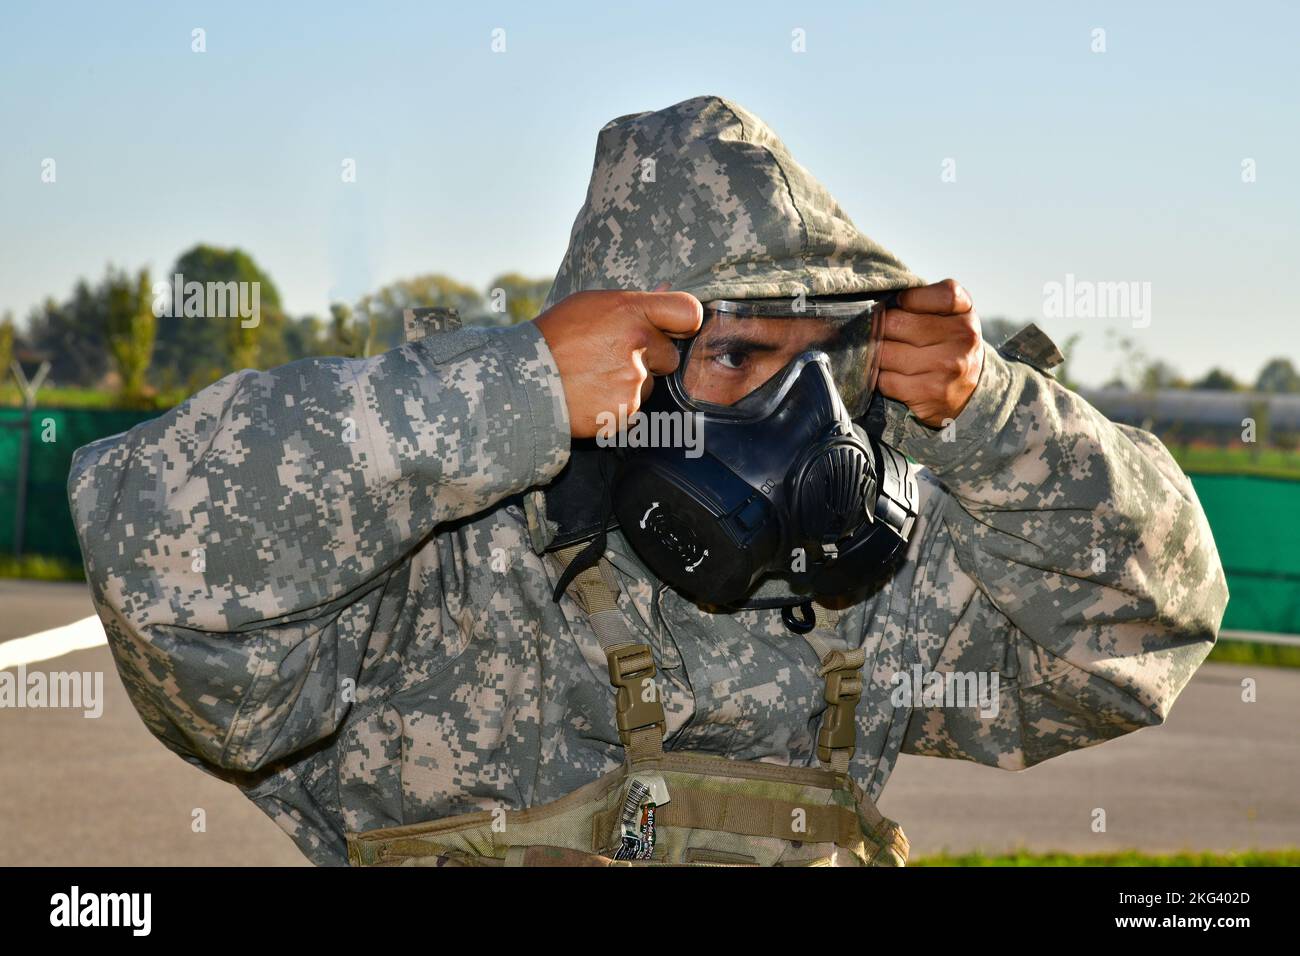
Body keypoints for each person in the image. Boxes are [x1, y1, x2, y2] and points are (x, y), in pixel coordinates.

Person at [68, 96, 1227, 866]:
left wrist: (996, 416)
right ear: (619, 365)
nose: (809, 422)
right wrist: (499, 399)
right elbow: (167, 587)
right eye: (736, 356)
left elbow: (1142, 638)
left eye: (831, 362)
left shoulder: (866, 580)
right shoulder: (448, 553)